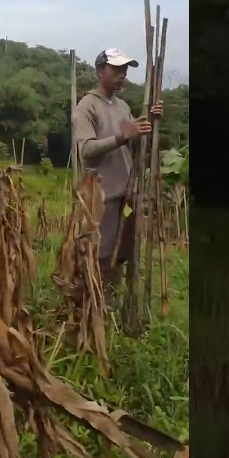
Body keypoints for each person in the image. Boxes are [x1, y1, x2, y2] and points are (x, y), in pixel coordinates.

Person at [71, 47, 163, 300]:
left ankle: (111, 301)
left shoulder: (122, 106)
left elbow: (133, 141)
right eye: (116, 69)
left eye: (125, 70)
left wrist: (150, 124)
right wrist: (123, 136)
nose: (122, 75)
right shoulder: (87, 106)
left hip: (126, 193)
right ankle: (91, 305)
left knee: (121, 252)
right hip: (101, 196)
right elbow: (87, 149)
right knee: (98, 253)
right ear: (100, 71)